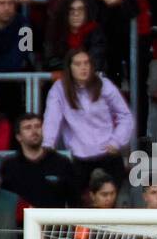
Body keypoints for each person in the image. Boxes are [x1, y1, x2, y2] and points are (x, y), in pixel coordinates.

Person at [42, 49, 132, 189]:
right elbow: (52, 119)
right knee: (78, 206)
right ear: (69, 67)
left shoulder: (104, 84)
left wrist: (117, 141)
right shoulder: (59, 89)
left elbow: (125, 116)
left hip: (108, 153)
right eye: (78, 64)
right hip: (78, 158)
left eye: (86, 63)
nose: (83, 67)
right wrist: (48, 143)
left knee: (111, 204)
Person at [0, 113, 76, 207]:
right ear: (18, 137)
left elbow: (74, 199)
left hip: (54, 220)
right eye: (28, 128)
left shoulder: (62, 162)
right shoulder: (9, 166)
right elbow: (5, 201)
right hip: (22, 221)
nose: (34, 131)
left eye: (38, 126)